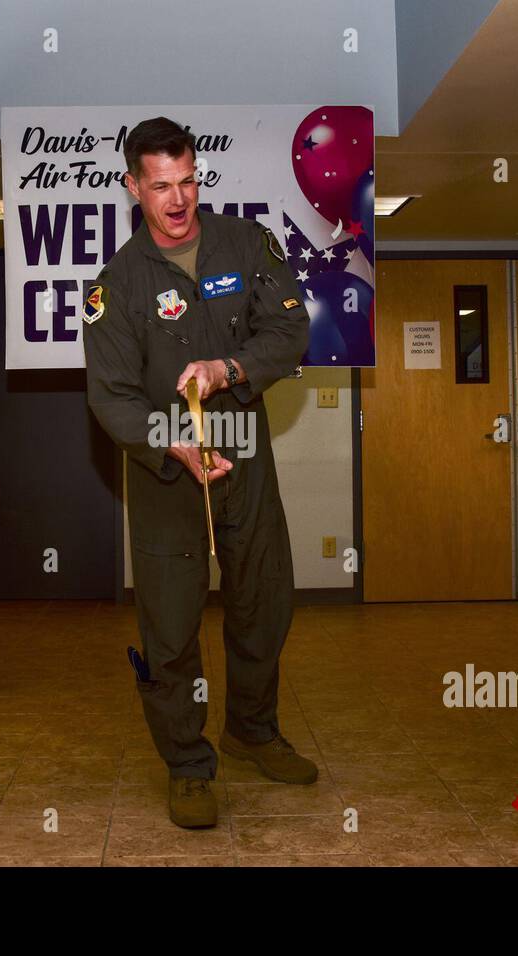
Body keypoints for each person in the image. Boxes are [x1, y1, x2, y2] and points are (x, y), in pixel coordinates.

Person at [83, 117, 315, 828]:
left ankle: (251, 728)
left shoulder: (247, 245)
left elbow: (289, 330)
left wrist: (228, 366)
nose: (178, 199)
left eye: (187, 181)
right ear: (133, 187)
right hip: (165, 471)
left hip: (243, 453)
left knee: (263, 603)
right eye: (161, 187)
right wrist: (170, 444)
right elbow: (110, 396)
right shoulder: (116, 284)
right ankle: (187, 763)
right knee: (172, 629)